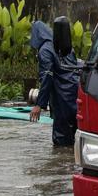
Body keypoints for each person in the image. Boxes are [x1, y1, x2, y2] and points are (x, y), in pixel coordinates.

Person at [29, 19, 80, 147]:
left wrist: (39, 105)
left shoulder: (45, 50)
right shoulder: (66, 46)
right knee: (76, 136)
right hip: (75, 95)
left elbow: (47, 77)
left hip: (61, 99)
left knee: (61, 141)